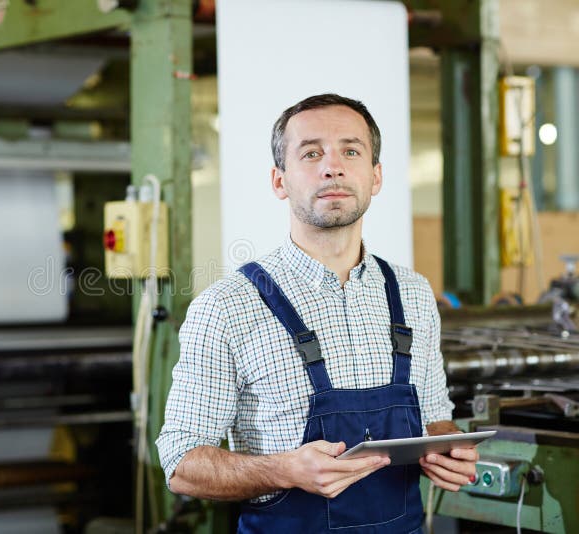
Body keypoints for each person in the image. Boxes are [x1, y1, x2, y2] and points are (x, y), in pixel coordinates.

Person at [156, 93, 479, 533]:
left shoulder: (413, 294)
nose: (333, 167)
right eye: (311, 153)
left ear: (376, 175)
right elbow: (180, 462)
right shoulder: (226, 306)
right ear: (279, 181)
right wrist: (283, 470)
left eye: (351, 150)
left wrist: (447, 448)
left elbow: (434, 416)